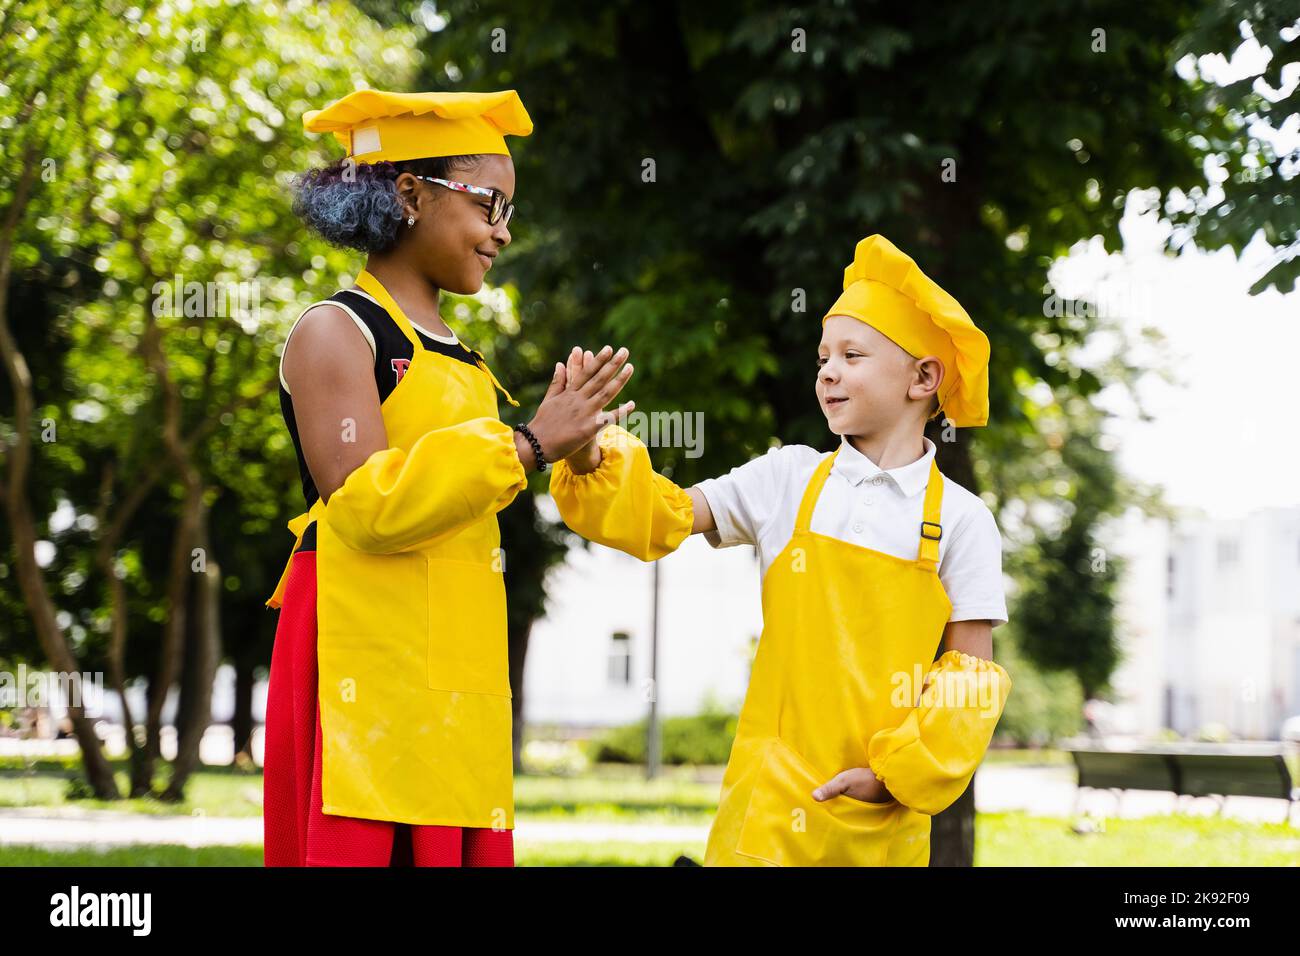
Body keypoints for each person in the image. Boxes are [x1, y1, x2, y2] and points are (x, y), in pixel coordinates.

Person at [549, 234, 1013, 866]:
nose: (827, 370)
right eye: (824, 356)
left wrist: (892, 778)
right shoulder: (788, 478)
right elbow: (664, 516)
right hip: (765, 808)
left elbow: (968, 681)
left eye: (853, 355)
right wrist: (588, 453)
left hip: (878, 825)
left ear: (923, 377)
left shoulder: (962, 520)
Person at [262, 88, 635, 867]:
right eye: (490, 204)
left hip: (452, 672)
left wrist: (571, 446)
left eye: (510, 211)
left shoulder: (460, 354)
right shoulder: (337, 330)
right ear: (409, 194)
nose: (503, 231)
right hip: (369, 660)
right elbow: (365, 504)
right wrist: (529, 443)